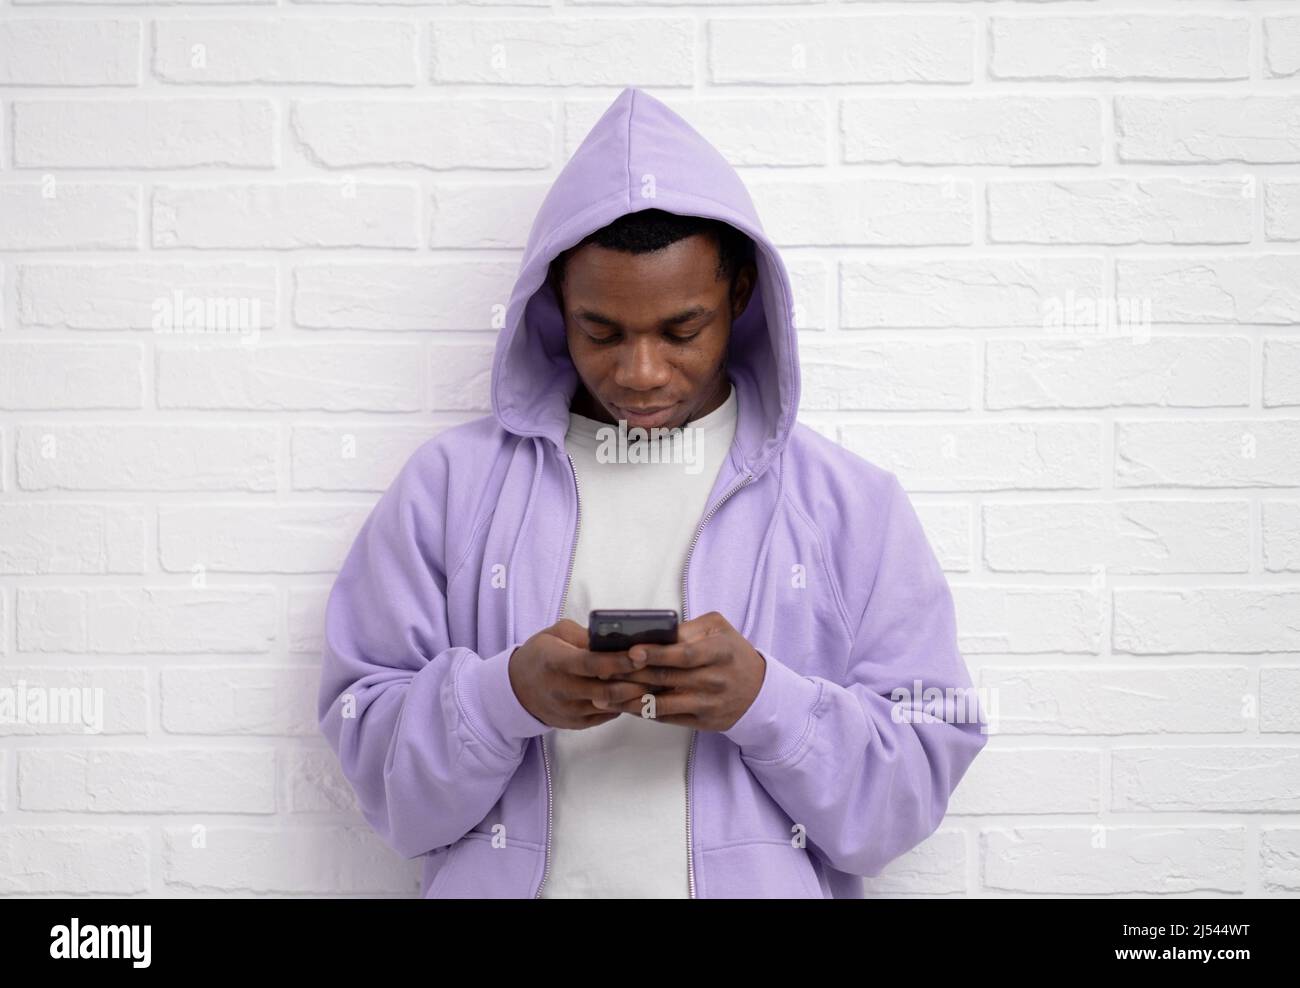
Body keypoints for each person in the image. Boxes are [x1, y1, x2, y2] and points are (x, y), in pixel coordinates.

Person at [316, 86, 988, 898]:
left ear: (738, 296)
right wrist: (502, 700)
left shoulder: (852, 507)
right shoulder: (448, 489)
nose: (640, 373)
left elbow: (901, 807)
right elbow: (385, 785)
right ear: (555, 301)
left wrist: (764, 701)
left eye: (681, 330)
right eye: (601, 331)